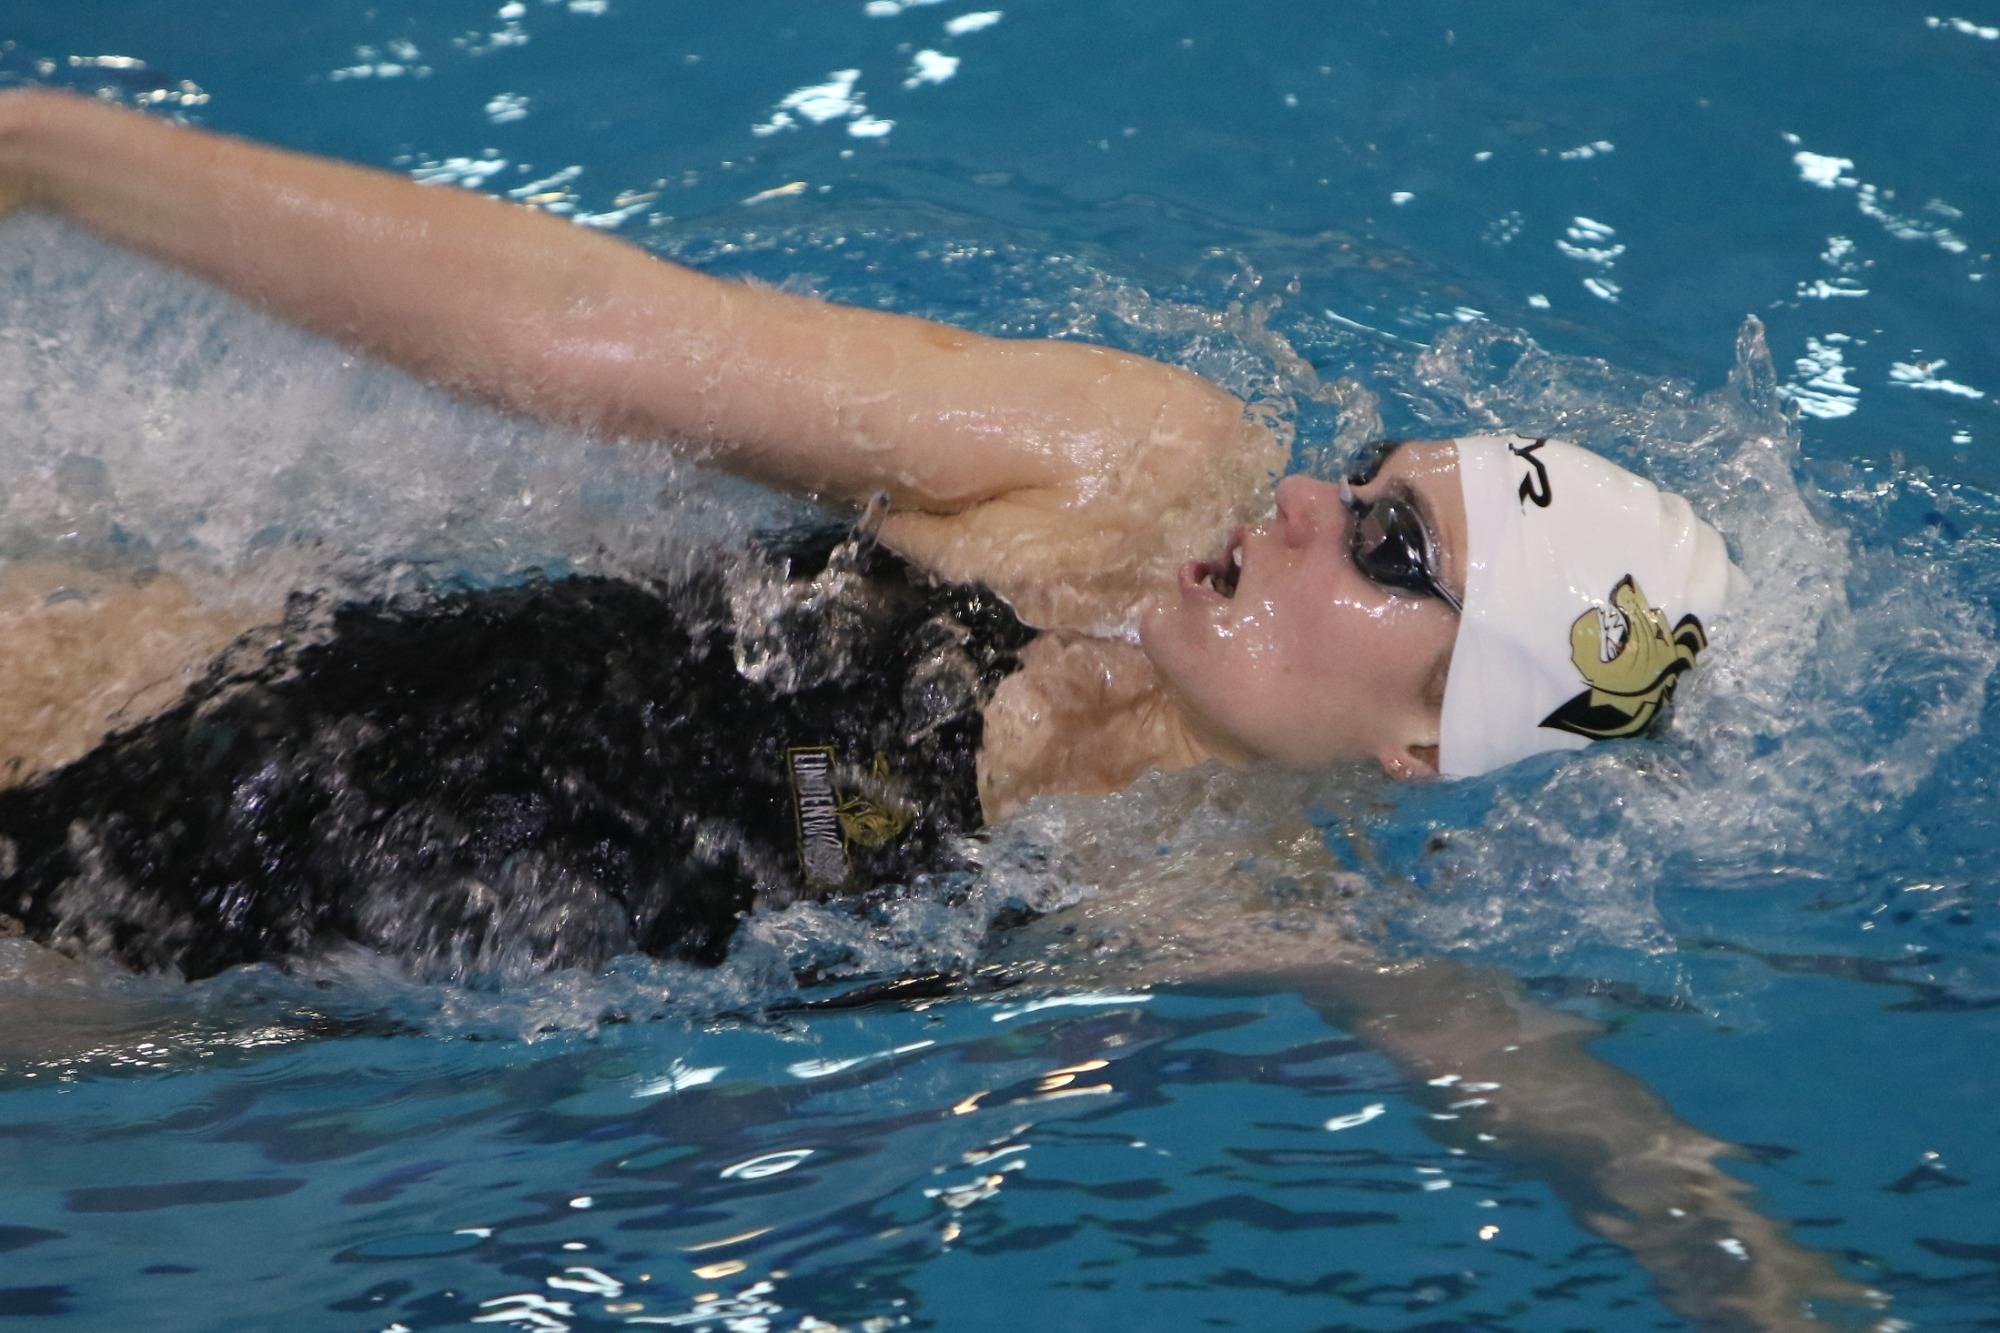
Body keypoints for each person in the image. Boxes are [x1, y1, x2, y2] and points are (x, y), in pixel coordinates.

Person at [0, 88, 1867, 1329]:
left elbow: (1586, 1128)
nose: (1306, 500)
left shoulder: (1221, 909)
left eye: (1385, 546)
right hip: (176, 683)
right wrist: (51, 149)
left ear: (1427, 742)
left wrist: (1775, 1279)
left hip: (128, 975)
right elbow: (583, 334)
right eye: (1373, 469)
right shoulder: (1126, 469)